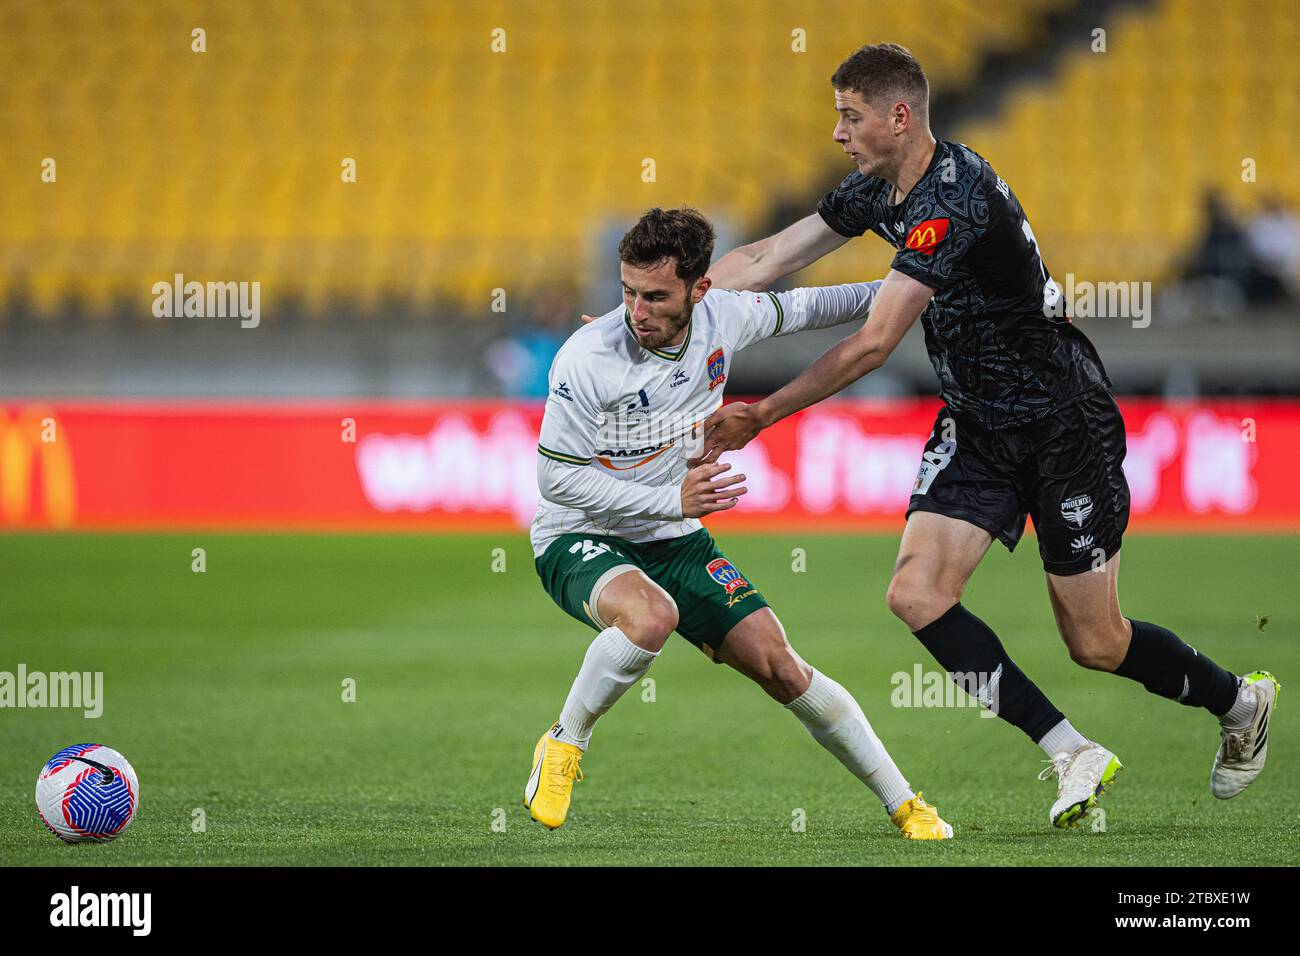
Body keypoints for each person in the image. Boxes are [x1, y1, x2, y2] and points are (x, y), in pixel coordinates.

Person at [700, 43, 1278, 828]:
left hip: (1060, 422)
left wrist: (760, 415)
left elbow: (874, 344)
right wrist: (681, 306)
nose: (837, 133)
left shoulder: (953, 197)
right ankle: (1069, 749)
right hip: (978, 421)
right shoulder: (879, 186)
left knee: (1097, 641)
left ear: (898, 118)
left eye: (850, 115)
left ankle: (1239, 701)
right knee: (916, 593)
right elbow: (770, 254)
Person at [526, 206, 953, 839]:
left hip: (672, 536)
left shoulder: (726, 315)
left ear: (701, 290)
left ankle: (903, 803)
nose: (635, 311)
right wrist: (671, 501)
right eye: (627, 292)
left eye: (654, 296)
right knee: (651, 617)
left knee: (782, 666)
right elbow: (555, 480)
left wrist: (921, 283)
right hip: (579, 532)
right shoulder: (586, 359)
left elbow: (814, 308)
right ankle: (565, 742)